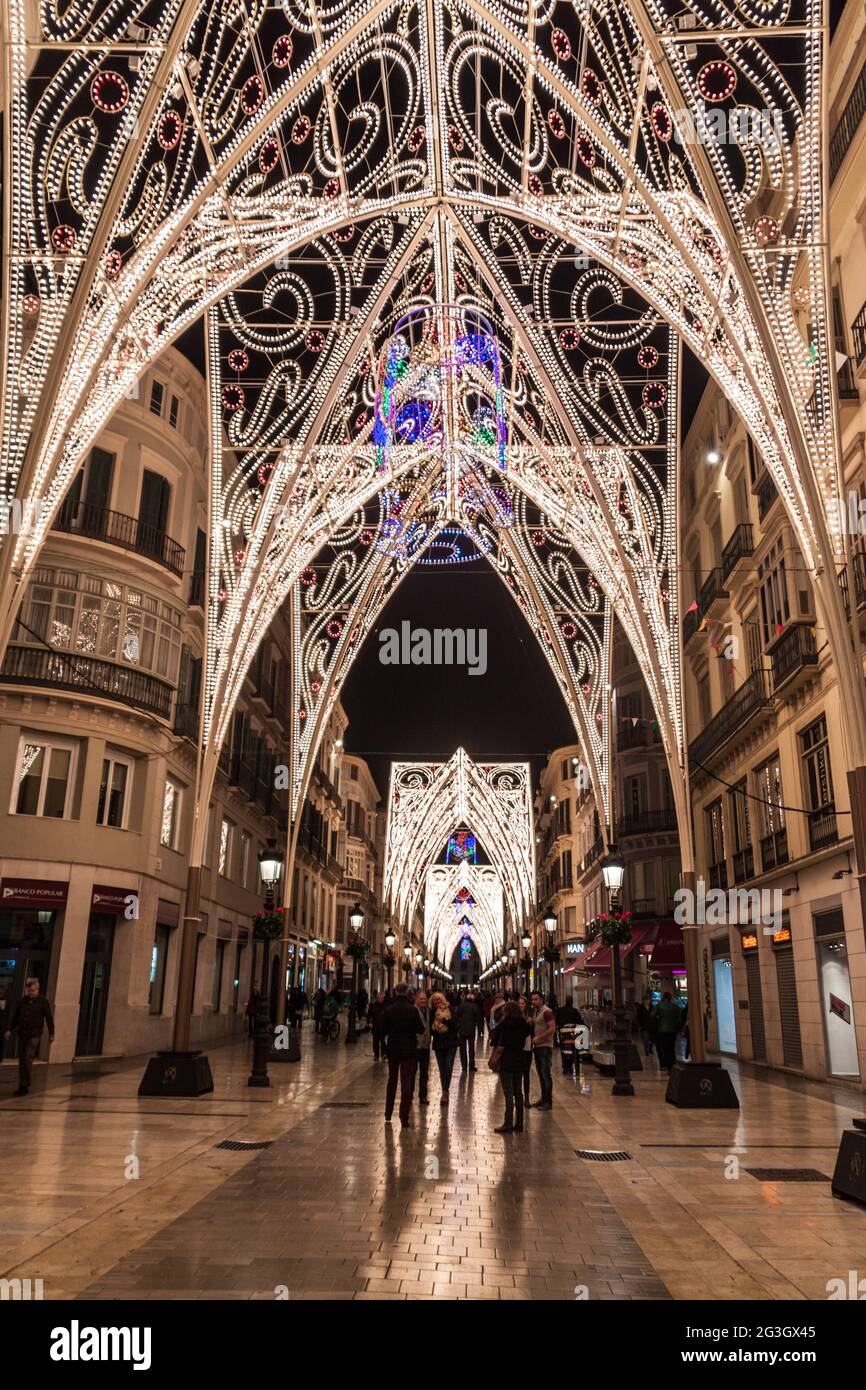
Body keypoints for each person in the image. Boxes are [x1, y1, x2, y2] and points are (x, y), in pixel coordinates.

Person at [382, 983, 423, 1128]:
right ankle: (404, 1117)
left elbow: (383, 1029)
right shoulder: (412, 1010)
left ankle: (388, 1113)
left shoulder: (389, 1010)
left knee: (392, 1080)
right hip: (408, 1050)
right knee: (406, 1083)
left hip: (393, 1049)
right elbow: (421, 1029)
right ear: (407, 993)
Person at [5, 977, 54, 1097]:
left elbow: (49, 1018)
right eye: (29, 990)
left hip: (35, 1034)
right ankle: (22, 1085)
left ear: (37, 990)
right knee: (22, 1059)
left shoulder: (43, 1001)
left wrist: (52, 1033)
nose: (30, 993)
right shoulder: (23, 1001)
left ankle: (24, 1085)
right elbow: (16, 1016)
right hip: (23, 1034)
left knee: (27, 1057)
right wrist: (9, 1029)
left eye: (32, 990)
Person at [491, 999, 533, 1133]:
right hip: (519, 1060)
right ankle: (519, 1123)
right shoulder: (523, 1024)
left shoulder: (503, 1024)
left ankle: (508, 1122)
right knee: (518, 1093)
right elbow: (528, 1032)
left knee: (508, 1094)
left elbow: (494, 1040)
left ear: (506, 1012)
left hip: (507, 1061)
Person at [429, 991, 458, 1105]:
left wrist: (444, 1020)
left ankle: (445, 1090)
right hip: (438, 1043)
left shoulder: (450, 1008)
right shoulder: (432, 1012)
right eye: (434, 1001)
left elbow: (455, 1024)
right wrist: (435, 1027)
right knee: (442, 1068)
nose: (437, 1002)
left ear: (442, 999)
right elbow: (430, 1030)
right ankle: (445, 1091)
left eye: (438, 1000)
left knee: (449, 1066)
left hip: (451, 1042)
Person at [530, 990, 555, 1109]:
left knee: (546, 1075)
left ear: (541, 1000)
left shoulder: (547, 1012)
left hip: (545, 1047)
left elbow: (552, 1029)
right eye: (533, 999)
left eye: (536, 999)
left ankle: (548, 1102)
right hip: (538, 1047)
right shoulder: (537, 1012)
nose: (533, 1002)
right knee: (541, 1074)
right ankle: (543, 1098)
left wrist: (539, 1038)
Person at [555, 998, 583, 1076]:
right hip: (573, 1034)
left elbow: (556, 1020)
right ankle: (570, 1067)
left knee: (564, 1050)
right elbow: (580, 1021)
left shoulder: (560, 1010)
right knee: (573, 1051)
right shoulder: (575, 1011)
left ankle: (565, 1067)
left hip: (563, 1034)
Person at [654, 991, 681, 1072]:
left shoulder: (659, 1005)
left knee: (664, 1048)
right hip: (672, 1030)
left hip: (662, 1030)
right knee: (671, 1047)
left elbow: (652, 1015)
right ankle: (672, 1064)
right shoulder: (675, 1007)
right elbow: (679, 1020)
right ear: (670, 998)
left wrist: (658, 1021)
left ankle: (667, 1065)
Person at [516, 994, 534, 1106]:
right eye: (519, 1003)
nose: (521, 1005)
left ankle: (526, 1097)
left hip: (527, 1047)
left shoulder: (530, 1018)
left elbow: (532, 1033)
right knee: (517, 1074)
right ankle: (518, 1097)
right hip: (517, 1049)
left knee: (526, 1073)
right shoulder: (515, 1017)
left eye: (523, 1003)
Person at [415, 989, 431, 1102]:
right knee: (412, 1072)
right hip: (415, 1046)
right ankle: (409, 1095)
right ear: (416, 999)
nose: (423, 1001)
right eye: (421, 999)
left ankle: (423, 1096)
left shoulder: (429, 1011)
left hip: (425, 1046)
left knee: (424, 1073)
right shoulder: (412, 1010)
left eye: (425, 999)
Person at [456, 990, 478, 1072]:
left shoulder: (461, 1006)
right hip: (471, 1030)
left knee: (462, 1049)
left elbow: (457, 1016)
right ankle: (471, 1066)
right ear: (472, 999)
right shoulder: (475, 1006)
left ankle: (464, 1066)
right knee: (471, 1049)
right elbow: (478, 1017)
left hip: (462, 1029)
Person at [368, 991, 387, 1060]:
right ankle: (376, 1055)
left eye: (381, 998)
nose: (380, 999)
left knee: (382, 1040)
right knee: (375, 1041)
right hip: (375, 1026)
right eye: (378, 998)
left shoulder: (385, 1006)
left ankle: (383, 1054)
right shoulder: (373, 1005)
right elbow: (369, 1015)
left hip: (383, 1027)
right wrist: (369, 1022)